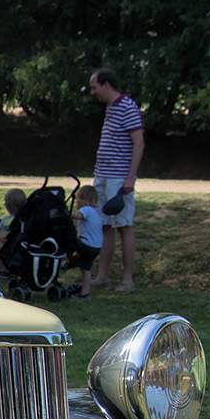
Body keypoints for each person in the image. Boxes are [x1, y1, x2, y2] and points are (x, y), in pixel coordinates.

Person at [89, 67, 144, 293]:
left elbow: (139, 143)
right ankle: (102, 276)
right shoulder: (111, 108)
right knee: (104, 226)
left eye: (94, 87)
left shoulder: (128, 107)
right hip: (102, 175)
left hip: (119, 178)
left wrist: (129, 178)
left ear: (106, 85)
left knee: (124, 226)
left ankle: (128, 280)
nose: (93, 92)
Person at [69, 183, 105, 297]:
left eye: (77, 199)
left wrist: (66, 213)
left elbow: (78, 216)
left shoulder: (86, 209)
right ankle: (86, 290)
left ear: (84, 200)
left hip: (87, 244)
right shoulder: (95, 212)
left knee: (68, 243)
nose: (76, 202)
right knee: (86, 269)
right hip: (96, 246)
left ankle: (69, 261)